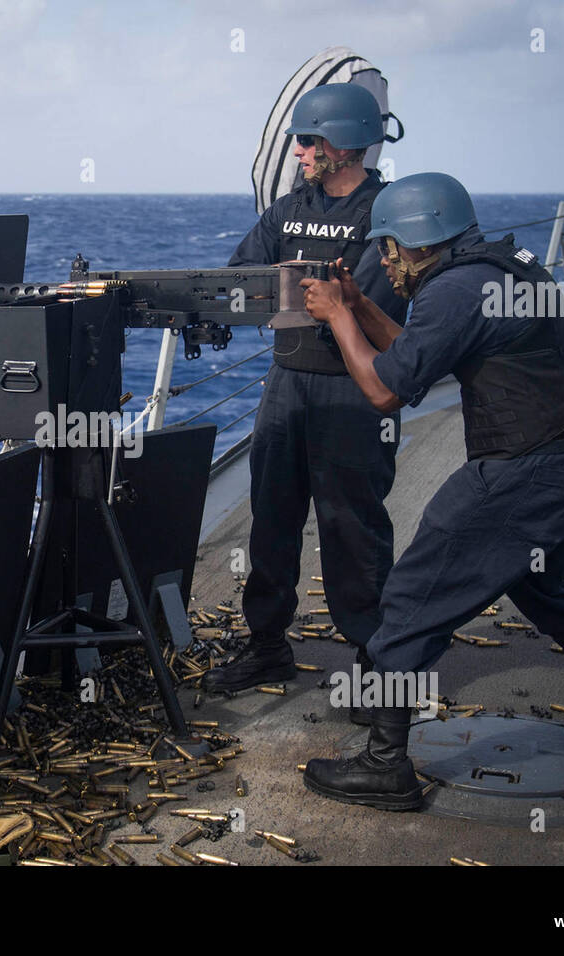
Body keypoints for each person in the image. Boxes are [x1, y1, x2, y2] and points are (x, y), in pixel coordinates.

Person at [297, 172, 564, 810]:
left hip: (525, 472)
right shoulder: (501, 268)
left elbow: (386, 390)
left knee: (412, 598)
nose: (387, 262)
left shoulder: (456, 289)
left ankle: (386, 764)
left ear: (418, 242)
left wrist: (335, 316)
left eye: (389, 249)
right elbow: (420, 356)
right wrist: (361, 307)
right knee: (539, 587)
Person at [204, 83, 407, 710]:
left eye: (307, 140)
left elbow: (356, 305)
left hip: (354, 391)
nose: (298, 152)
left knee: (354, 527)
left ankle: (376, 659)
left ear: (342, 145)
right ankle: (267, 641)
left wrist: (300, 299)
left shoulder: (386, 214)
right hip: (287, 386)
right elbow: (244, 277)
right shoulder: (289, 211)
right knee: (272, 516)